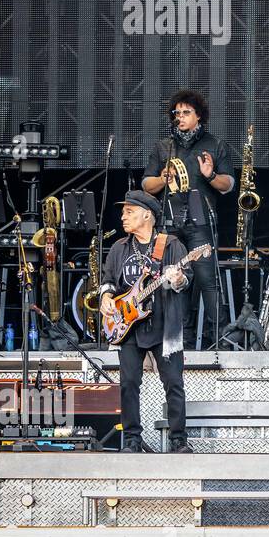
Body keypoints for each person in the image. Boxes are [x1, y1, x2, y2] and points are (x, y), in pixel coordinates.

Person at [98, 191, 194, 453]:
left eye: (129, 211)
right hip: (128, 326)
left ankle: (178, 440)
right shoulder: (119, 248)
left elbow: (186, 280)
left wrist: (177, 280)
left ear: (147, 215)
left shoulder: (171, 245)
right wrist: (106, 296)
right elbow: (108, 280)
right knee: (129, 384)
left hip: (165, 327)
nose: (123, 216)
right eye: (123, 212)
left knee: (174, 383)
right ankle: (131, 439)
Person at [141, 90, 234, 348]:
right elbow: (146, 185)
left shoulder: (214, 145)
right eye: (177, 113)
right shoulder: (164, 147)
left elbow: (228, 185)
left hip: (201, 224)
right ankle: (181, 341)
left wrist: (210, 175)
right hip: (168, 227)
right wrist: (163, 179)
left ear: (199, 115)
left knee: (207, 281)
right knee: (171, 280)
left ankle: (221, 341)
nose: (180, 117)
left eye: (186, 112)